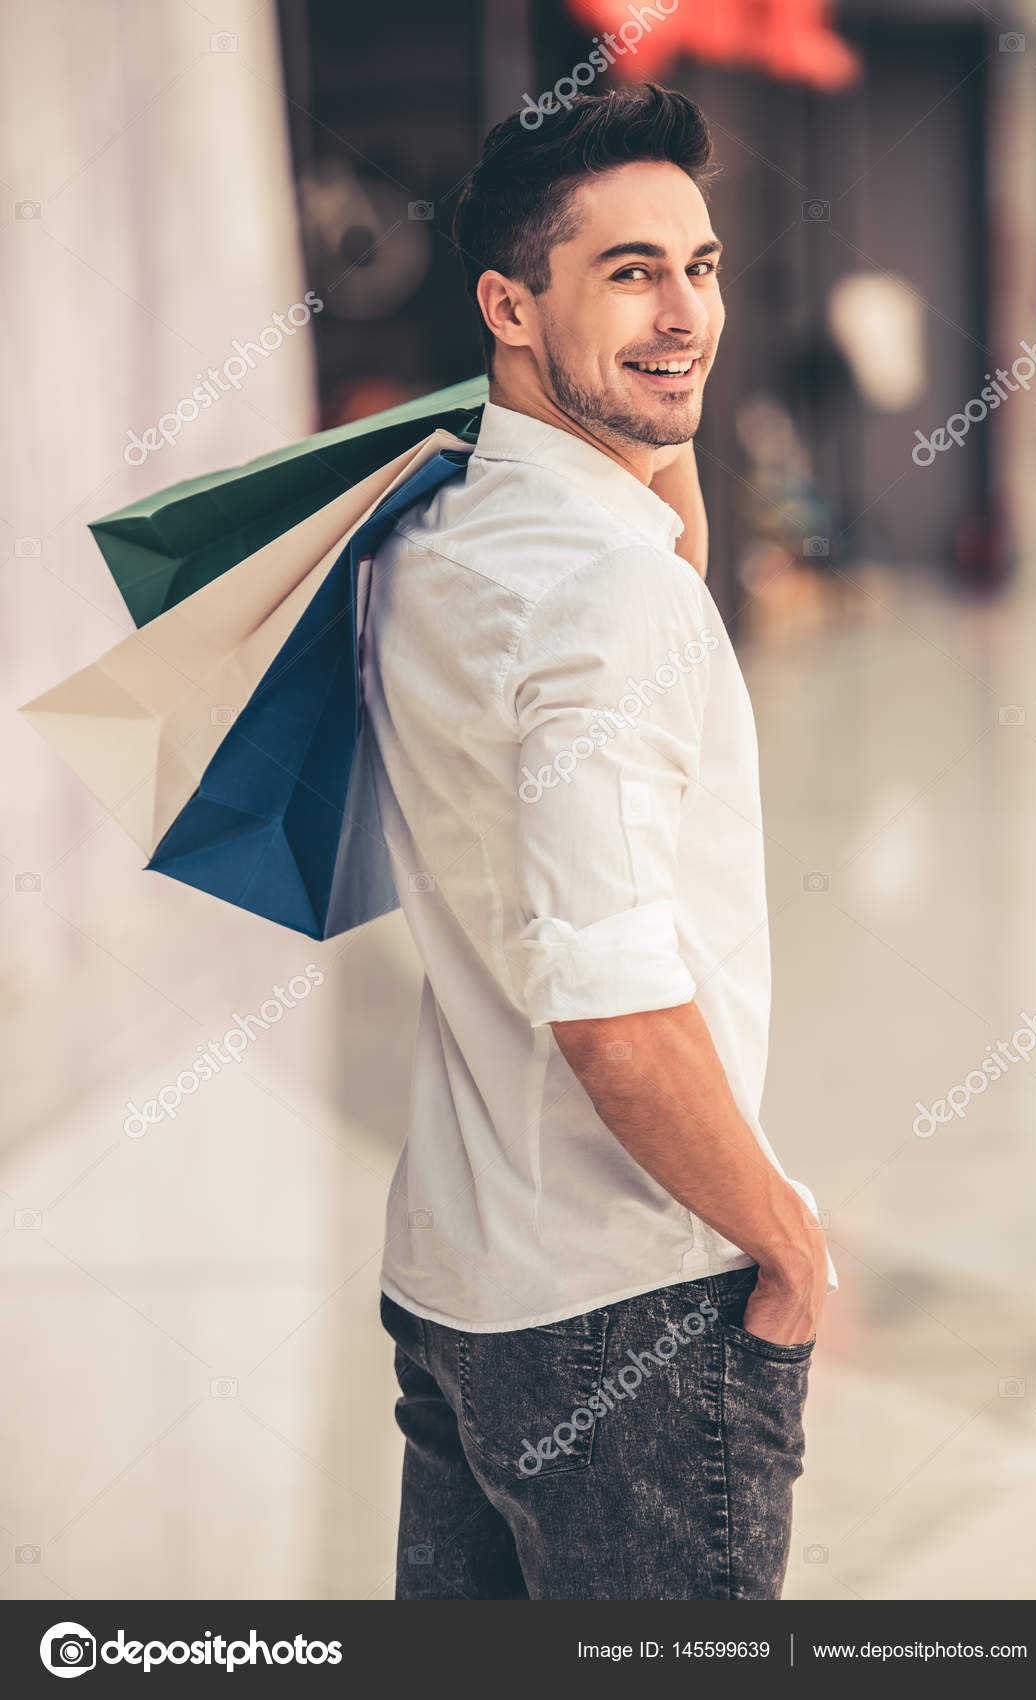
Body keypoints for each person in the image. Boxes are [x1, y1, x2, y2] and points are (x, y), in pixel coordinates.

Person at [364, 81, 837, 1601]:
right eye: (628, 272)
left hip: (459, 1284)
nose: (686, 312)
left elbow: (662, 557)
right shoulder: (608, 603)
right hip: (636, 1310)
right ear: (508, 301)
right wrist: (789, 1251)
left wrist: (639, 407)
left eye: (700, 267)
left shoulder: (428, 539)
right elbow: (617, 1016)